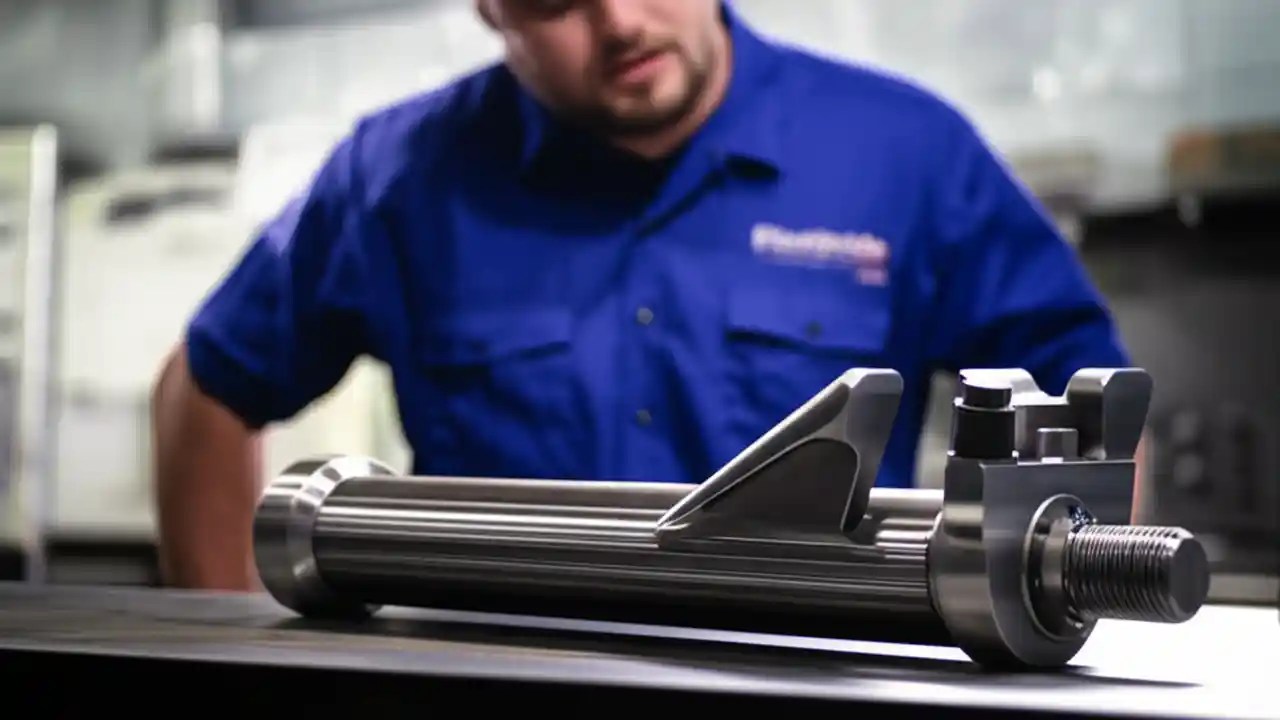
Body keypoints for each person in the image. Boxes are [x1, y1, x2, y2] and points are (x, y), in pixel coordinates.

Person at [150, 0, 1135, 591]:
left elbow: (1082, 407)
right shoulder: (394, 179)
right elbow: (205, 390)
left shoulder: (905, 156)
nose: (617, 21)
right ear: (488, 10)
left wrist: (1042, 619)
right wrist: (232, 641)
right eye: (555, 2)